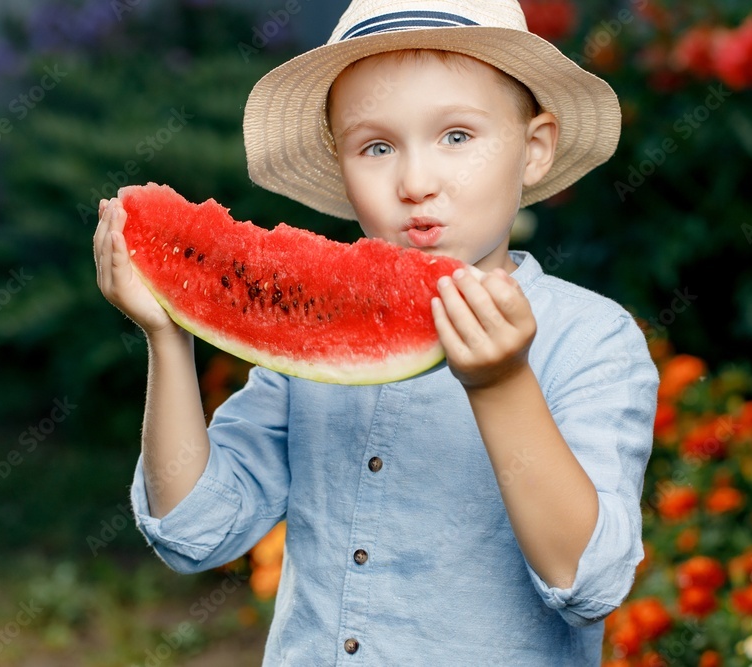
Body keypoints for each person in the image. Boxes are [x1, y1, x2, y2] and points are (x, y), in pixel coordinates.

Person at [93, 0, 659, 663]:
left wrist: (502, 383)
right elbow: (196, 530)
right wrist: (171, 333)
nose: (416, 182)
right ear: (341, 167)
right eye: (377, 146)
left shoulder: (593, 340)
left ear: (533, 150)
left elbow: (588, 579)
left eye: (456, 136)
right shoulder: (308, 344)